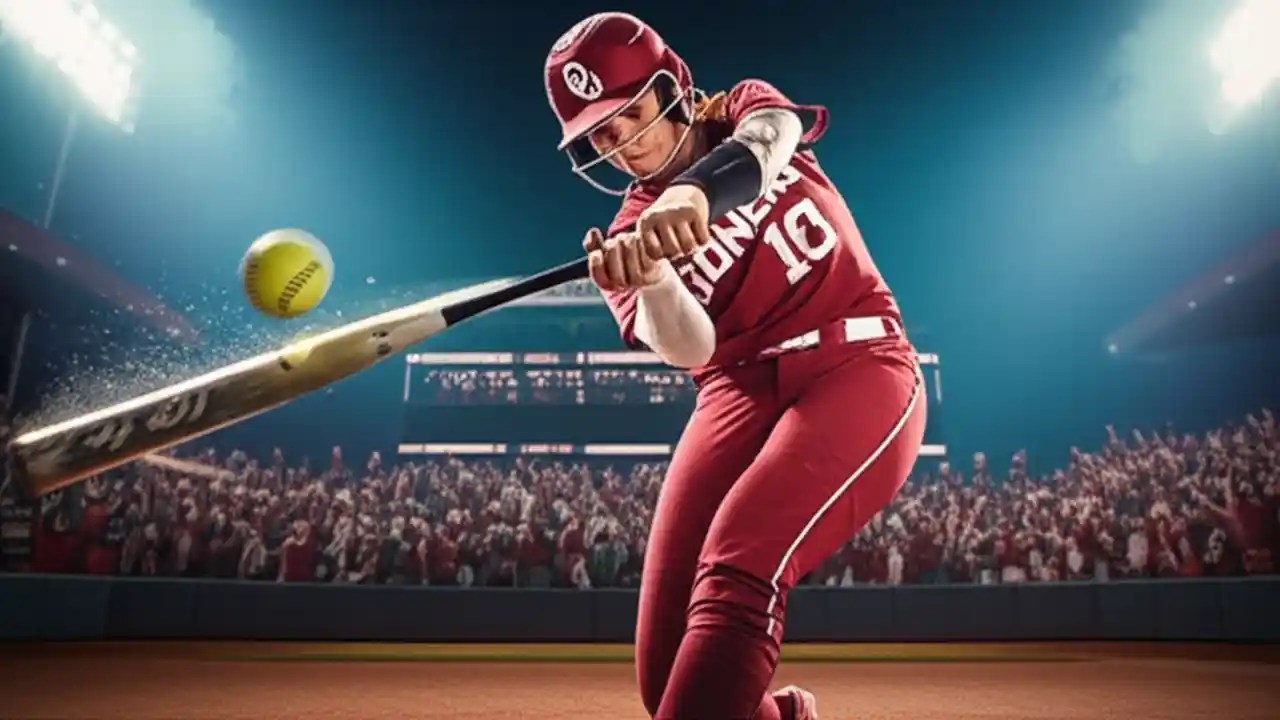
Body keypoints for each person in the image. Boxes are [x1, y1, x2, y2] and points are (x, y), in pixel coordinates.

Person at [545, 12, 927, 720]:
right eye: (599, 133)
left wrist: (693, 193)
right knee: (665, 680)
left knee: (740, 566)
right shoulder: (625, 236)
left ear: (673, 88)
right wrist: (654, 277)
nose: (621, 141)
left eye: (631, 113)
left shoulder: (736, 109)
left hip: (854, 358)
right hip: (732, 393)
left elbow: (770, 140)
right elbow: (690, 350)